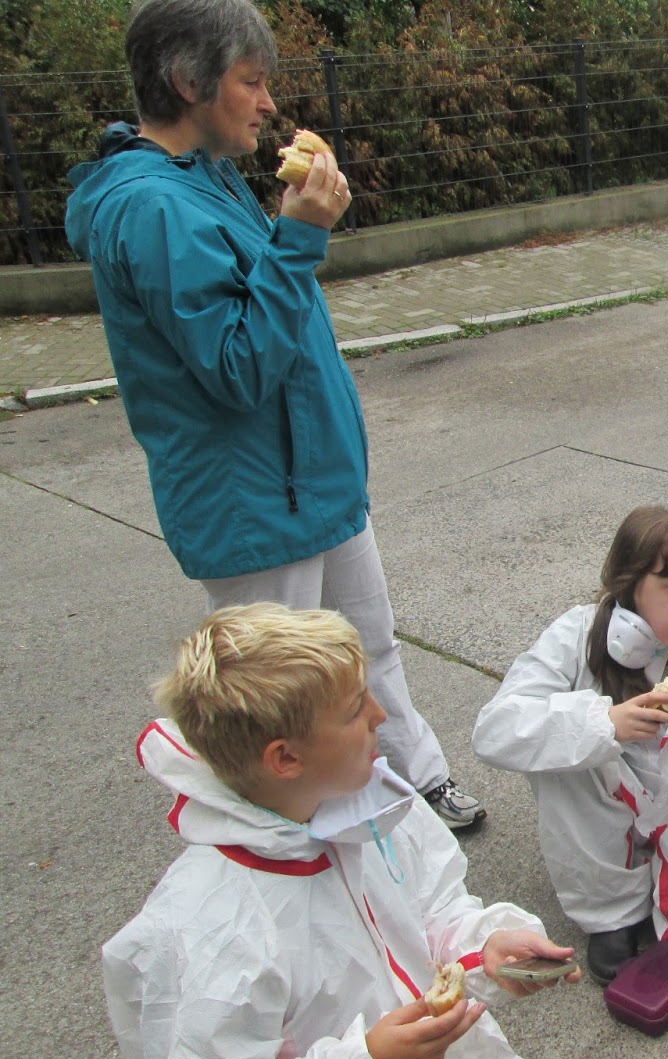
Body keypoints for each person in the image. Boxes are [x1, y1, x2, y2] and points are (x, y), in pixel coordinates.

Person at [63, 0, 483, 830]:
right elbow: (238, 368)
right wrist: (299, 239)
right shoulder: (151, 207)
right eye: (251, 82)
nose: (266, 104)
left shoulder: (204, 179)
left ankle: (411, 782)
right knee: (287, 701)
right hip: (252, 499)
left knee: (368, 649)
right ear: (189, 82)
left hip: (312, 481)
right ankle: (323, 834)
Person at [103, 604, 622, 1059]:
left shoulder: (366, 810)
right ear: (285, 758)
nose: (381, 715)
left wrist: (483, 949)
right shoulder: (217, 926)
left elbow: (430, 913)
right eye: (355, 710)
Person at [473, 507, 668, 983]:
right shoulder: (576, 634)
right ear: (629, 584)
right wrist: (603, 724)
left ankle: (663, 872)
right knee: (573, 750)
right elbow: (494, 731)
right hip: (596, 809)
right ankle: (612, 909)